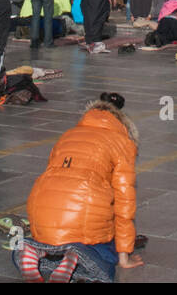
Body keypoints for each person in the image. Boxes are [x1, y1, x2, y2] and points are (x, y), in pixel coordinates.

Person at [18, 92, 143, 282]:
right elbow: (124, 203)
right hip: (81, 212)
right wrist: (124, 255)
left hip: (40, 212)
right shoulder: (122, 143)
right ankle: (73, 258)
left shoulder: (68, 135)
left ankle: (35, 250)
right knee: (107, 252)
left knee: (58, 236)